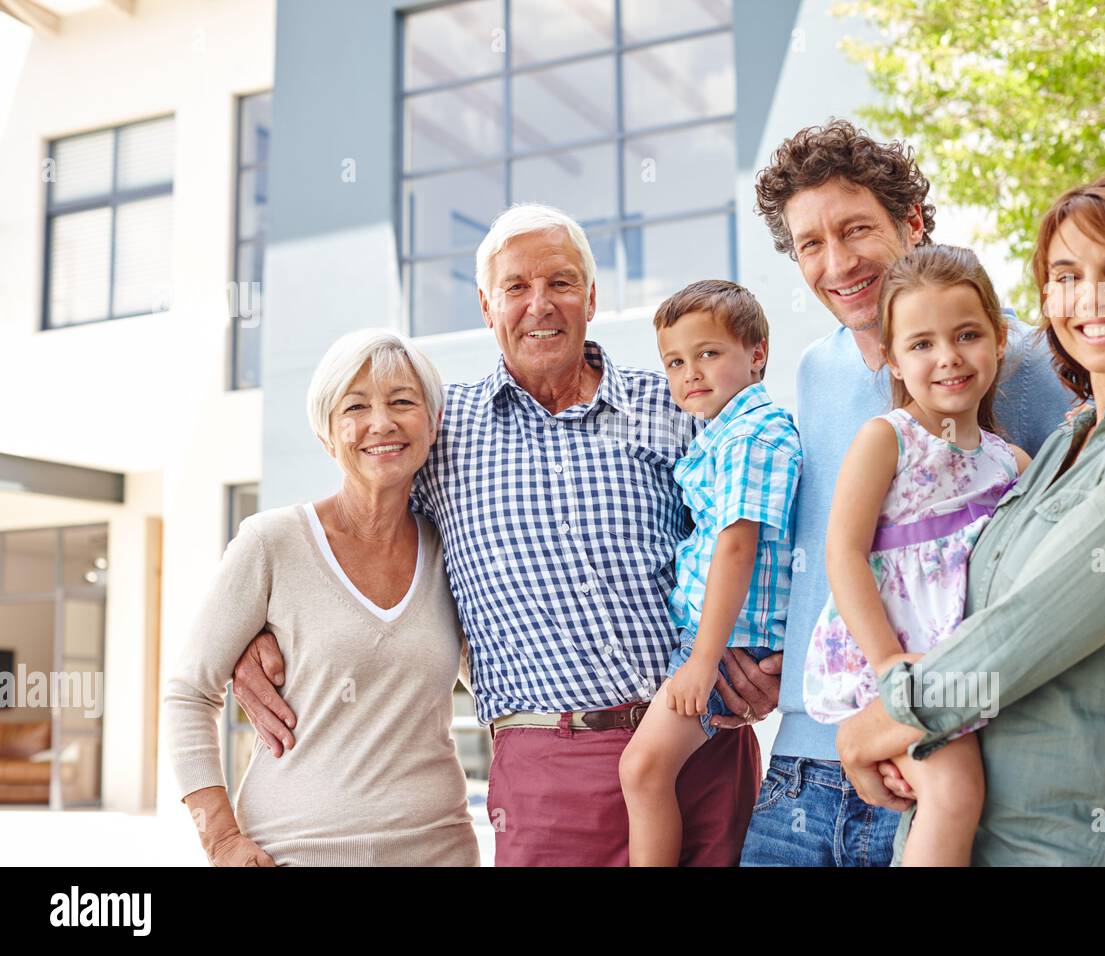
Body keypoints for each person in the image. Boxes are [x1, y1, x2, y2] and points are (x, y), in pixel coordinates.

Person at [740, 120, 1105, 867]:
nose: (837, 261)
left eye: (857, 229)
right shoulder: (813, 373)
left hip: (951, 760)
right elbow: (825, 547)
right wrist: (747, 646)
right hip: (812, 761)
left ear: (913, 224)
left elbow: (1090, 581)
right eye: (810, 244)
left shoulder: (1029, 370)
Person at [228, 205, 780, 866]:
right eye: (516, 288)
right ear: (487, 308)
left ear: (592, 298)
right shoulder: (438, 429)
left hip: (699, 745)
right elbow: (353, 529)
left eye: (561, 283)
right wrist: (259, 626)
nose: (539, 305)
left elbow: (760, 536)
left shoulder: (677, 406)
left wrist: (775, 660)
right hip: (549, 769)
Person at [164, 330, 478, 866]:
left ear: (432, 424)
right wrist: (220, 838)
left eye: (402, 401)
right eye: (355, 406)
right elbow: (189, 693)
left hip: (439, 849)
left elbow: (500, 677)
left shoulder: (455, 548)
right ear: (327, 434)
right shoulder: (271, 542)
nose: (381, 423)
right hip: (294, 851)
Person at [804, 245, 1028, 865]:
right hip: (894, 663)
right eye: (922, 343)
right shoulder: (888, 440)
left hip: (968, 671)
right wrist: (888, 664)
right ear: (894, 358)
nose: (948, 357)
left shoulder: (1008, 461)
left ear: (999, 339)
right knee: (954, 791)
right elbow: (843, 554)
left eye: (966, 335)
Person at [620, 280, 801, 866]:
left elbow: (736, 548)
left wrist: (702, 658)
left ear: (756, 353)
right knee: (651, 772)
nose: (690, 372)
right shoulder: (722, 433)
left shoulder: (751, 434)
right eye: (675, 361)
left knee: (642, 769)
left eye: (708, 353)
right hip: (717, 639)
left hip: (726, 644)